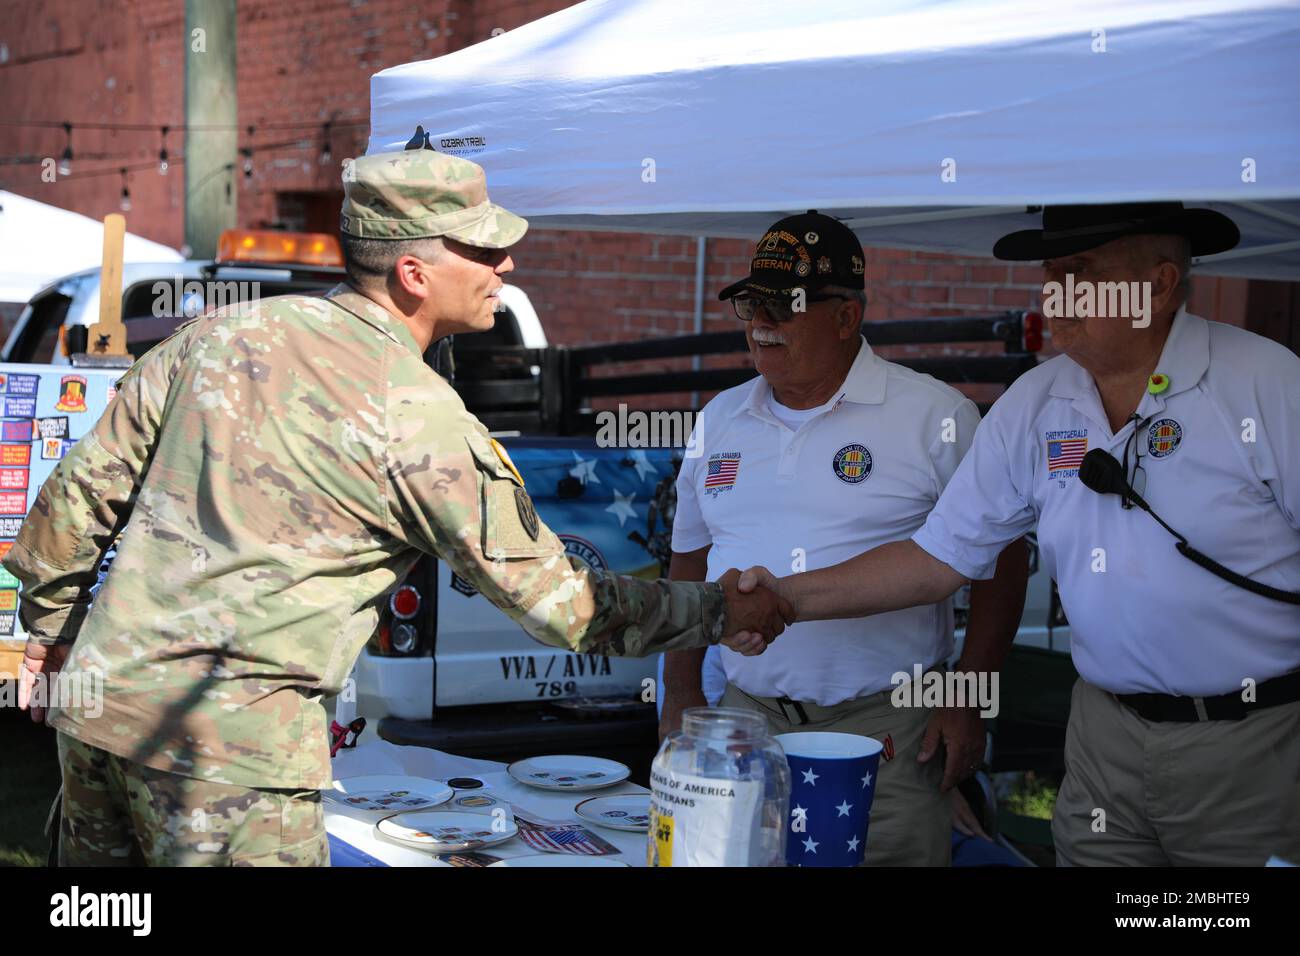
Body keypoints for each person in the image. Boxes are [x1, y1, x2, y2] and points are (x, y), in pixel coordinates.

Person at [6, 148, 792, 867]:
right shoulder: (415, 413)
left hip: (102, 721)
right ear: (415, 273)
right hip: (232, 762)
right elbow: (569, 609)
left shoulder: (217, 335)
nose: (505, 263)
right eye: (484, 250)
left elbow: (77, 499)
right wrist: (722, 610)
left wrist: (48, 637)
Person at [734, 203, 1300, 866]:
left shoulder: (1267, 386)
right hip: (1102, 738)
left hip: (1250, 741)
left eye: (1079, 271)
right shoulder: (1035, 403)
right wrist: (781, 595)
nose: (1053, 290)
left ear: (1158, 284)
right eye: (1049, 270)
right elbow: (937, 558)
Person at [659, 211, 1028, 866]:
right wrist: (682, 691)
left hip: (890, 733)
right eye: (751, 303)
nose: (760, 321)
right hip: (749, 725)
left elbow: (1001, 559)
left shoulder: (934, 417)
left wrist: (969, 695)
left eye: (783, 304)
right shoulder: (721, 417)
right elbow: (688, 557)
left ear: (846, 316)